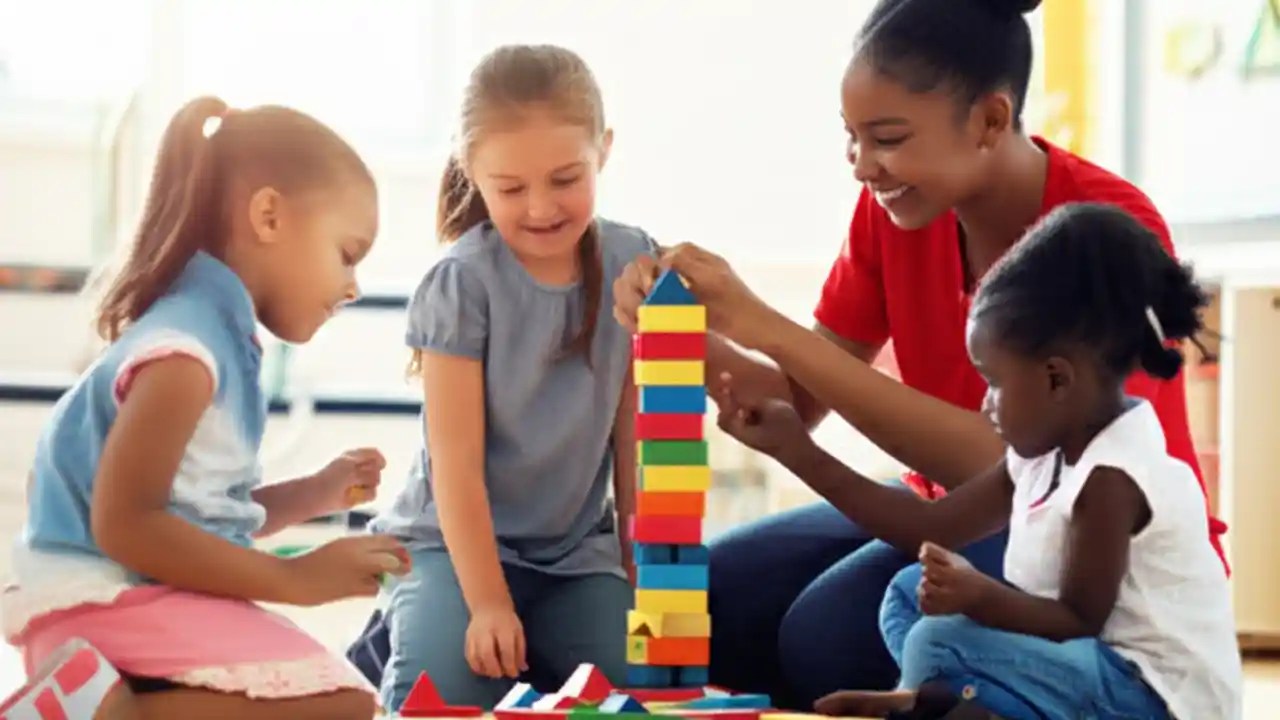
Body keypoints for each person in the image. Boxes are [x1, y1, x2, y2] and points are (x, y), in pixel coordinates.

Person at [611, 0, 1227, 709]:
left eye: (889, 139)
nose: (863, 167)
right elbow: (798, 399)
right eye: (852, 139)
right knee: (714, 595)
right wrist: (688, 333)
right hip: (948, 508)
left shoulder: (1104, 230)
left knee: (823, 638)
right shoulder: (893, 214)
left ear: (991, 120)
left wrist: (766, 324)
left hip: (1083, 549)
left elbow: (1020, 471)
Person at [713, 203, 1242, 720]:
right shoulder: (1047, 452)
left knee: (942, 634)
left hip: (1145, 694)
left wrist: (979, 594)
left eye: (994, 383)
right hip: (1082, 667)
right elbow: (926, 525)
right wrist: (795, 449)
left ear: (1057, 379)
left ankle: (933, 699)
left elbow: (1076, 620)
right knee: (905, 596)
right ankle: (938, 698)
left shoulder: (1111, 480)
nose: (986, 403)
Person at [0, 96, 407, 719]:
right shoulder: (186, 355)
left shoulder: (214, 338)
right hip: (101, 603)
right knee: (343, 705)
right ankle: (91, 710)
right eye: (346, 253)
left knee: (344, 701)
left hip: (122, 600)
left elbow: (196, 522)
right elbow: (127, 525)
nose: (352, 286)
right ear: (269, 216)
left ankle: (104, 700)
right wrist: (294, 581)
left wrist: (315, 493)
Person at [365, 44, 656, 711]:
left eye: (565, 178)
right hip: (452, 549)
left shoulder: (633, 259)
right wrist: (490, 604)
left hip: (573, 557)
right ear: (473, 171)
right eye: (511, 187)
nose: (541, 208)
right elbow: (457, 467)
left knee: (643, 688)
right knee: (444, 695)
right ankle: (396, 635)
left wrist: (646, 583)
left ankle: (529, 648)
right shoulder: (462, 283)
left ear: (603, 151)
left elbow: (634, 441)